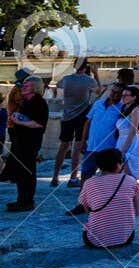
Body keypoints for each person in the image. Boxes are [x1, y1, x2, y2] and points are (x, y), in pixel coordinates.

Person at [78, 149, 139, 249]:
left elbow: (86, 209)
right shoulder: (131, 180)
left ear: (98, 166)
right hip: (126, 238)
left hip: (94, 241)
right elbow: (135, 211)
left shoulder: (89, 183)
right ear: (118, 164)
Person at [3, 75, 48, 211]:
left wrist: (18, 121)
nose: (23, 87)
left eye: (27, 85)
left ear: (34, 88)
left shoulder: (39, 103)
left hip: (30, 143)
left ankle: (26, 202)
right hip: (20, 141)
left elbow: (38, 124)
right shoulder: (26, 101)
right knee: (20, 172)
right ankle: (21, 200)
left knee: (27, 172)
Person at [52, 60, 98, 187]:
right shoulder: (89, 80)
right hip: (82, 117)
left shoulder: (65, 79)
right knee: (77, 148)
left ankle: (55, 177)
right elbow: (99, 92)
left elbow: (58, 88)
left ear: (74, 66)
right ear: (85, 67)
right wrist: (96, 73)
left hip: (67, 116)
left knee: (63, 147)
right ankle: (72, 178)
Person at [113, 85, 139, 180]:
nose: (123, 97)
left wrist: (123, 149)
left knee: (127, 172)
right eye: (122, 95)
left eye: (126, 95)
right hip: (120, 140)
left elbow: (132, 130)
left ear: (134, 97)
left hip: (130, 142)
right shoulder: (124, 109)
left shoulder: (136, 110)